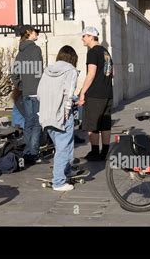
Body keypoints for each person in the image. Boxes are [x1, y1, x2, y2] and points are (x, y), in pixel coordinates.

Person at [37, 46, 79, 191]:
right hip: (62, 115)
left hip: (46, 115)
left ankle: (66, 171)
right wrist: (67, 111)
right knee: (63, 147)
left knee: (62, 146)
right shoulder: (71, 71)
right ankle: (59, 182)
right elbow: (69, 93)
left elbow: (39, 93)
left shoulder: (47, 71)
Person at [77, 26, 114, 161]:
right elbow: (112, 73)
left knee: (92, 124)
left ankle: (94, 152)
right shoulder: (106, 52)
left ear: (91, 37)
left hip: (95, 94)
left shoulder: (92, 52)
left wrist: (82, 93)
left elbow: (91, 74)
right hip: (107, 93)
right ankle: (104, 152)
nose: (82, 38)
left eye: (84, 36)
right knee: (105, 123)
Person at [11, 25, 44, 164]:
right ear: (29, 33)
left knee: (29, 121)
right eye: (35, 31)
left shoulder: (20, 52)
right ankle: (32, 152)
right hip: (36, 92)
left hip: (26, 92)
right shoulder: (35, 49)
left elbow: (15, 75)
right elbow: (39, 72)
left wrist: (22, 86)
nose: (37, 33)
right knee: (36, 123)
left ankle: (28, 150)